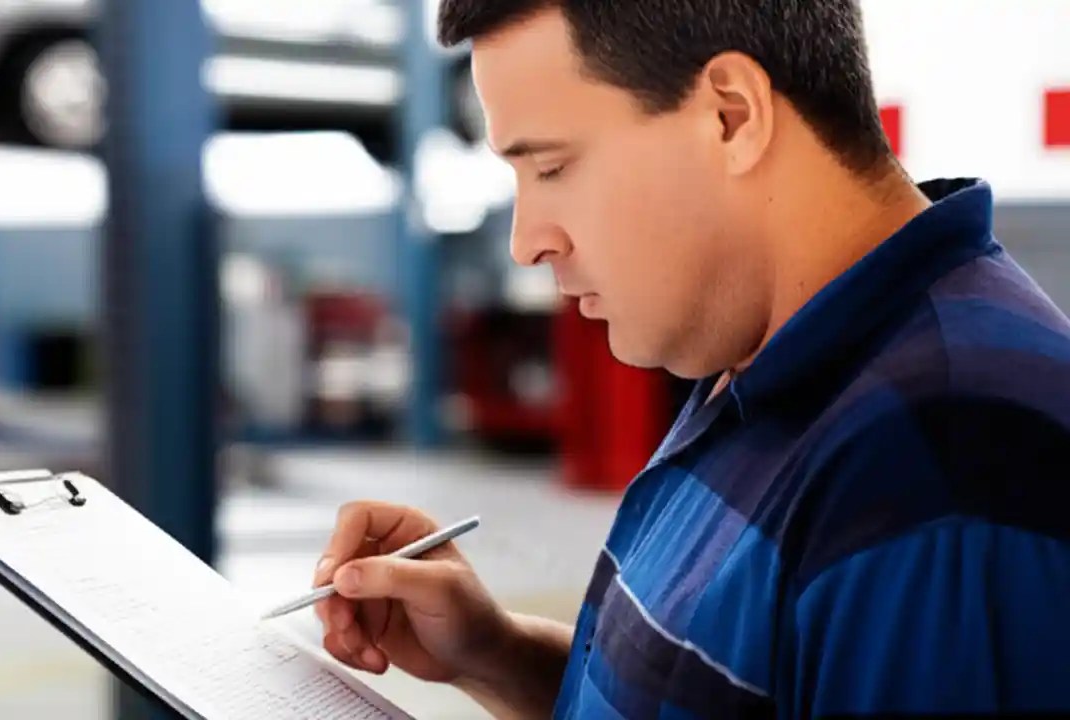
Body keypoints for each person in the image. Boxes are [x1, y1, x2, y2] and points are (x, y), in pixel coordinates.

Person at [313, 1, 1070, 717]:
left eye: (551, 169)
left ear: (730, 115)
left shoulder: (949, 475)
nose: (527, 240)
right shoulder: (764, 353)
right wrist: (495, 655)